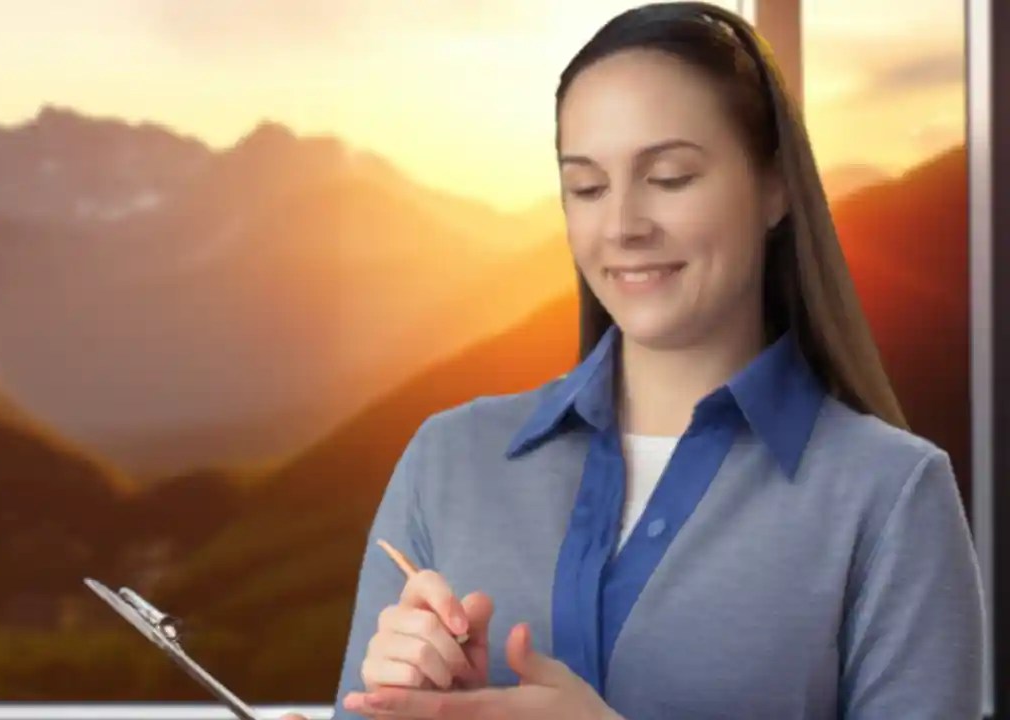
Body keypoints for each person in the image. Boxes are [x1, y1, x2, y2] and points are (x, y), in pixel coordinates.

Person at [283, 2, 984, 718]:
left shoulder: (893, 495)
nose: (621, 226)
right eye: (587, 187)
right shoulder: (447, 464)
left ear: (775, 186)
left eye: (671, 177)